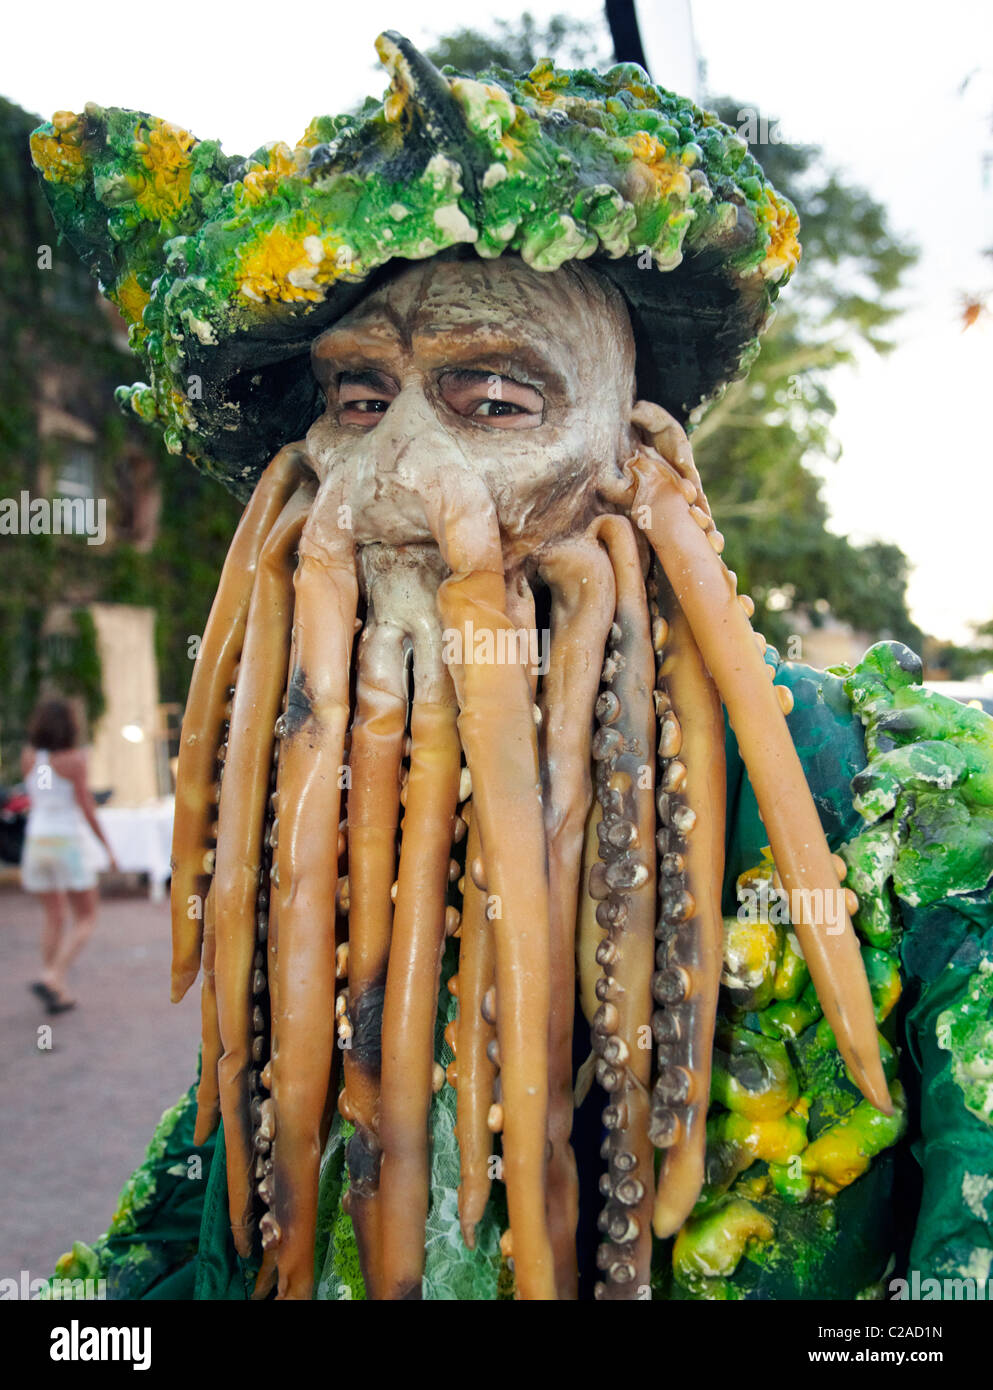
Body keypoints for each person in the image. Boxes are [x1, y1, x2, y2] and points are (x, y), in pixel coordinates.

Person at [29, 33, 993, 1301]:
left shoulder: (911, 822)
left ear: (633, 451)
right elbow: (164, 1262)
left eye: (494, 401)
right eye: (362, 400)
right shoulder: (297, 878)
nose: (397, 485)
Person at [20, 696, 118, 1013]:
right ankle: (53, 976)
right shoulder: (74, 760)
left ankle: (57, 988)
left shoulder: (29, 757)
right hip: (65, 842)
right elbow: (86, 807)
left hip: (36, 841)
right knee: (86, 916)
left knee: (54, 916)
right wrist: (107, 848)